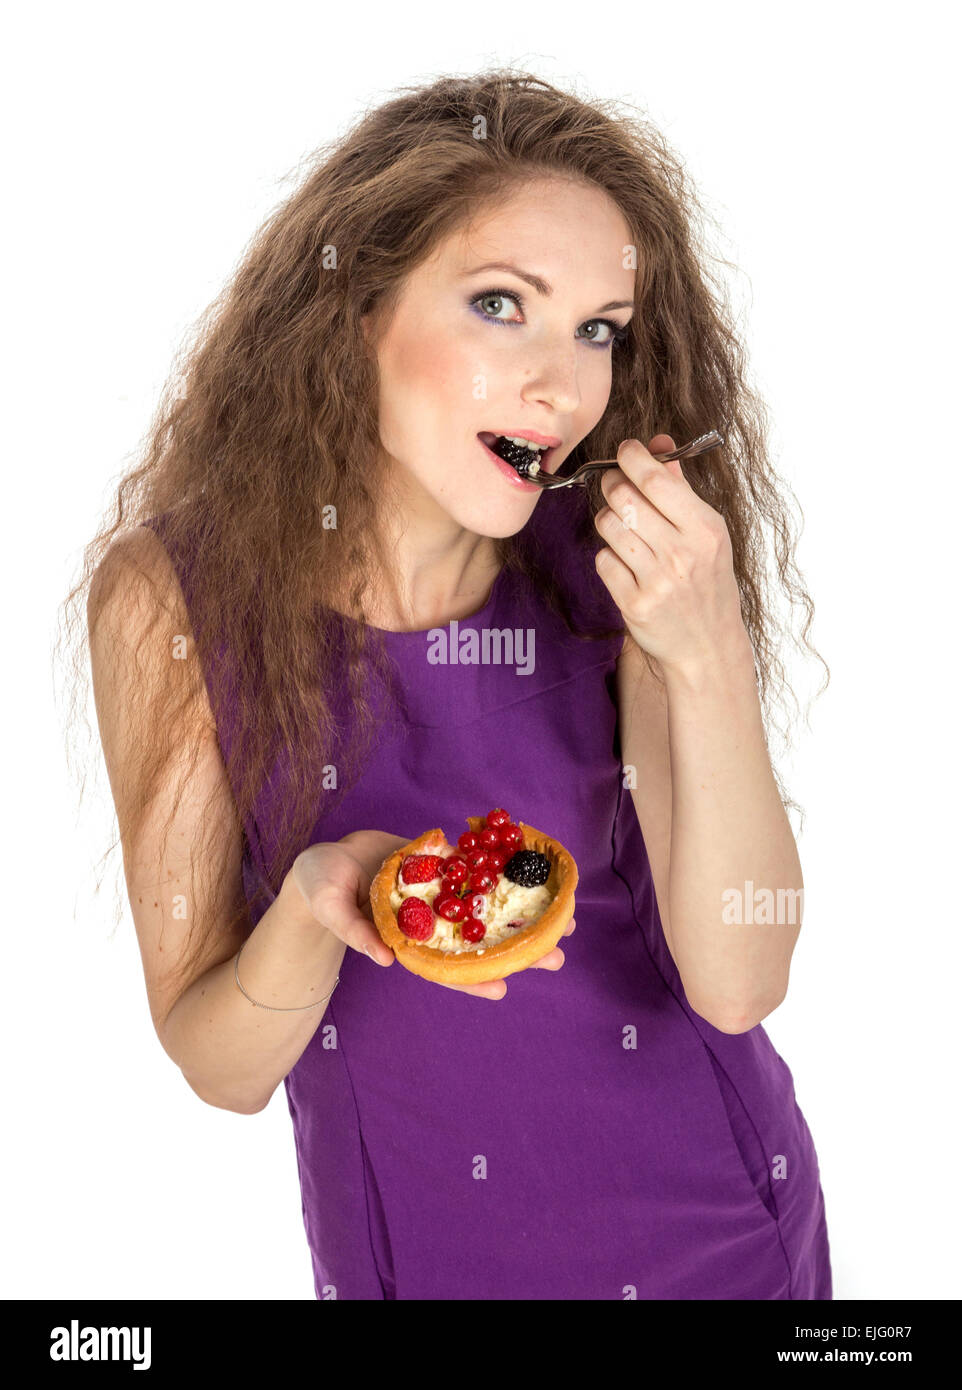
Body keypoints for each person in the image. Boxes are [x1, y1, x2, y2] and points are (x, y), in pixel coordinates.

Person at [78, 70, 832, 1299]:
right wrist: (320, 897)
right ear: (357, 310)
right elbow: (219, 1066)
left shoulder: (618, 565)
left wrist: (707, 653)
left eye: (598, 327)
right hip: (414, 1259)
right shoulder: (169, 599)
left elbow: (738, 981)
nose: (564, 383)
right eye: (501, 306)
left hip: (714, 1238)